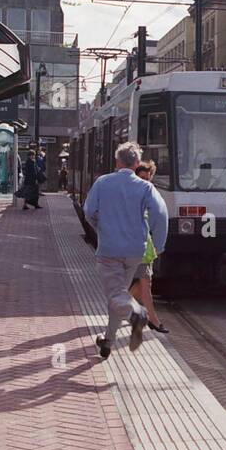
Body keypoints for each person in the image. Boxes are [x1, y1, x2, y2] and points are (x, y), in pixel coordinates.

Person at [84, 142, 169, 360]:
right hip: (135, 251)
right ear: (137, 163)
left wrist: (101, 228)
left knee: (116, 295)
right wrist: (158, 245)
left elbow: (89, 211)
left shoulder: (102, 182)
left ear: (117, 161)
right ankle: (108, 341)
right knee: (119, 294)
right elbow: (160, 215)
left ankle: (137, 315)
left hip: (110, 250)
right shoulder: (145, 187)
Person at [127, 159, 169, 338]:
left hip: (145, 247)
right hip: (137, 247)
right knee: (146, 284)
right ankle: (153, 319)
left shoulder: (149, 194)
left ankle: (123, 307)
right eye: (142, 177)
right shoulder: (135, 195)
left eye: (148, 178)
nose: (145, 181)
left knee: (140, 284)